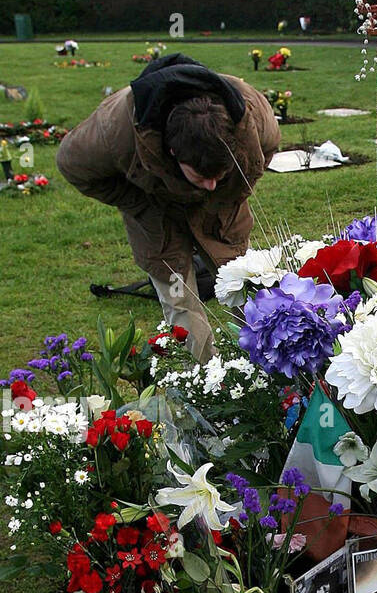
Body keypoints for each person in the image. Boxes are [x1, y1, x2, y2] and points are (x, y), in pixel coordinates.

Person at [56, 54, 280, 364]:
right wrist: (140, 200)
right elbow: (71, 167)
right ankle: (208, 379)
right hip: (156, 212)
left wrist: (226, 196)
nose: (211, 184)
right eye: (202, 177)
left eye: (219, 175)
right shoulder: (112, 129)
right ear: (173, 153)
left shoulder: (250, 113)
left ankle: (269, 366)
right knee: (180, 301)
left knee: (246, 286)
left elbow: (262, 154)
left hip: (221, 214)